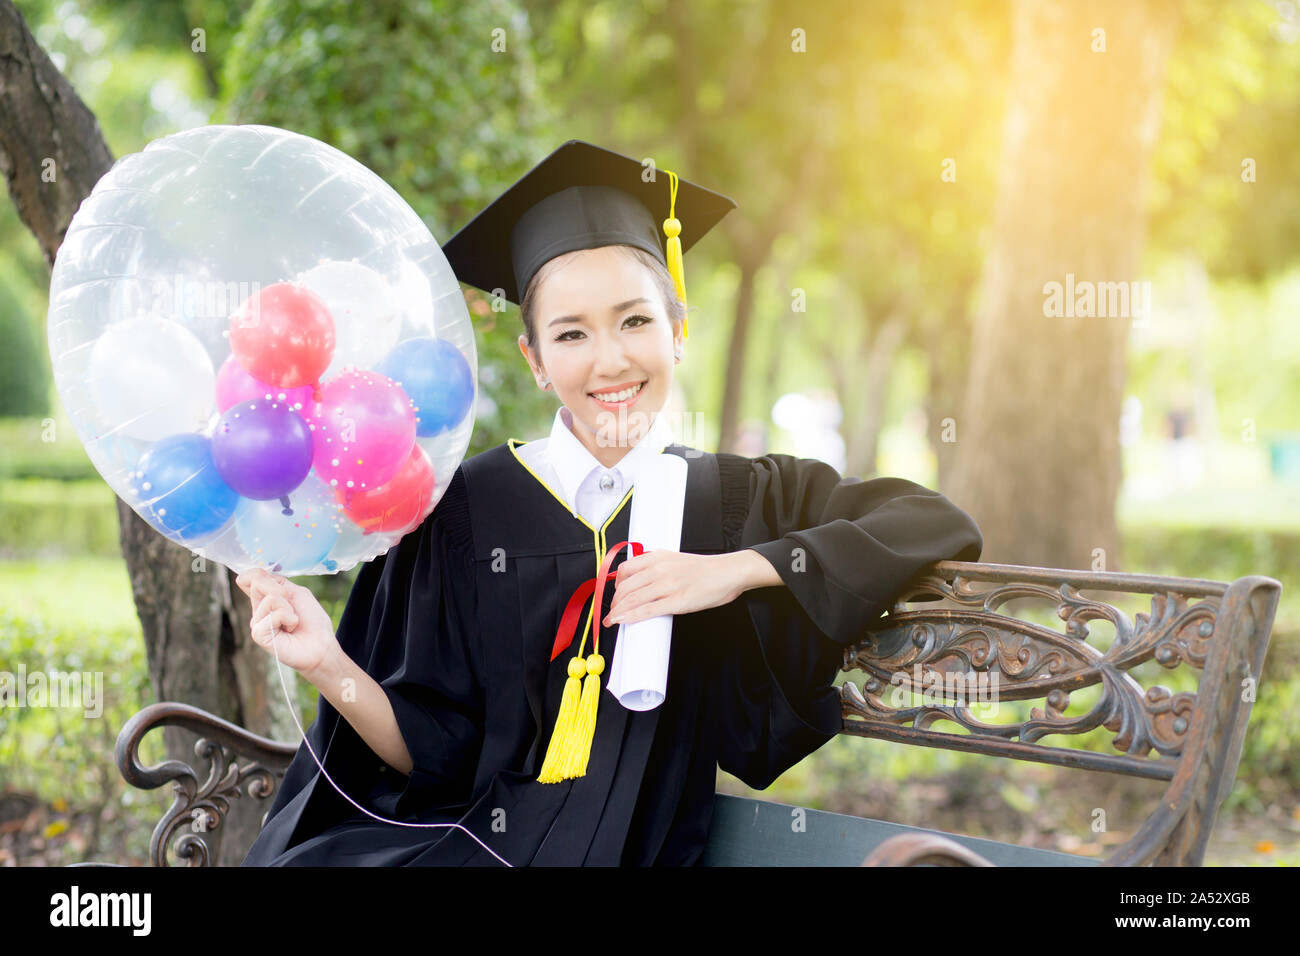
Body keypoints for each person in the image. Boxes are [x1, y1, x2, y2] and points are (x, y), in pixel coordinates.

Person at [237, 140, 983, 866]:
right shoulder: (466, 507)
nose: (611, 359)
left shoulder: (735, 498)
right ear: (534, 360)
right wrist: (325, 661)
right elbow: (434, 754)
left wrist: (737, 570)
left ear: (679, 329)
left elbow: (930, 521)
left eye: (635, 321)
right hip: (471, 845)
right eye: (571, 334)